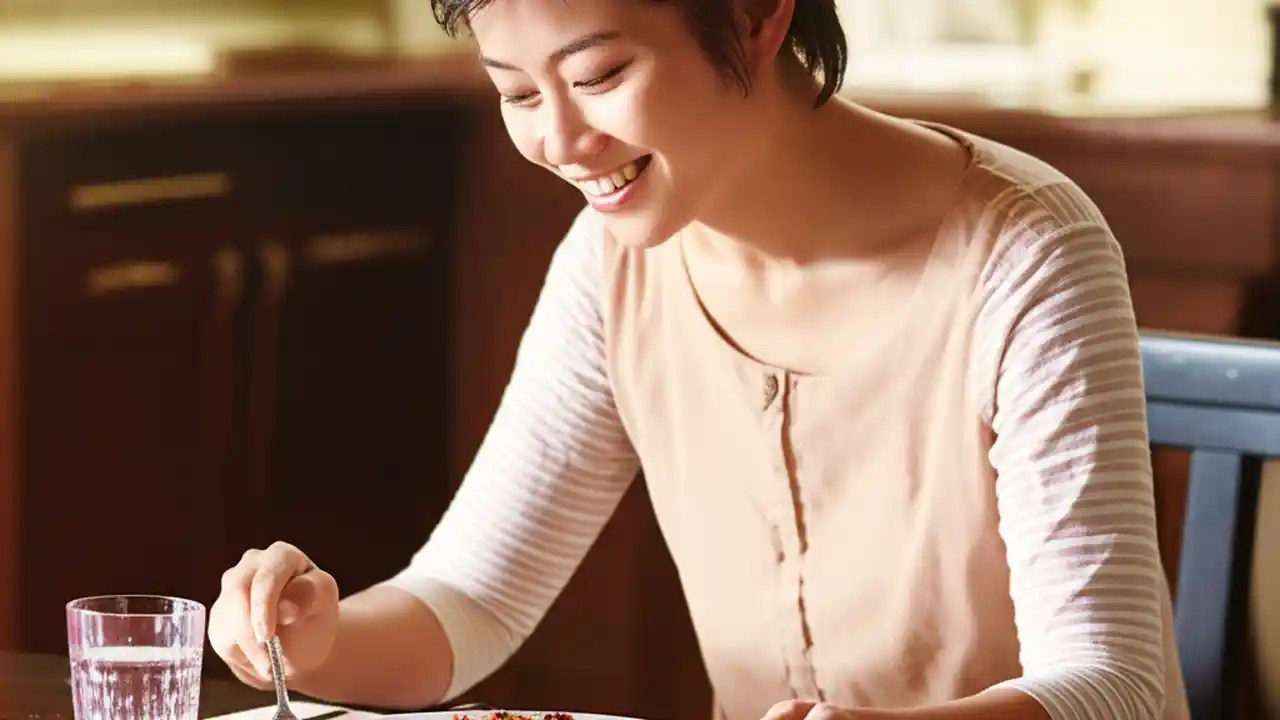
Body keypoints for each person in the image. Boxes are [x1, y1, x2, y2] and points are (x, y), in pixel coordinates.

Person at [208, 0, 1190, 718]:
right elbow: (471, 602)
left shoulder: (1023, 250)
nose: (556, 139)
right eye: (514, 91)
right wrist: (312, 642)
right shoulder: (610, 262)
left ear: (758, 16)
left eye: (597, 76)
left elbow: (1111, 683)